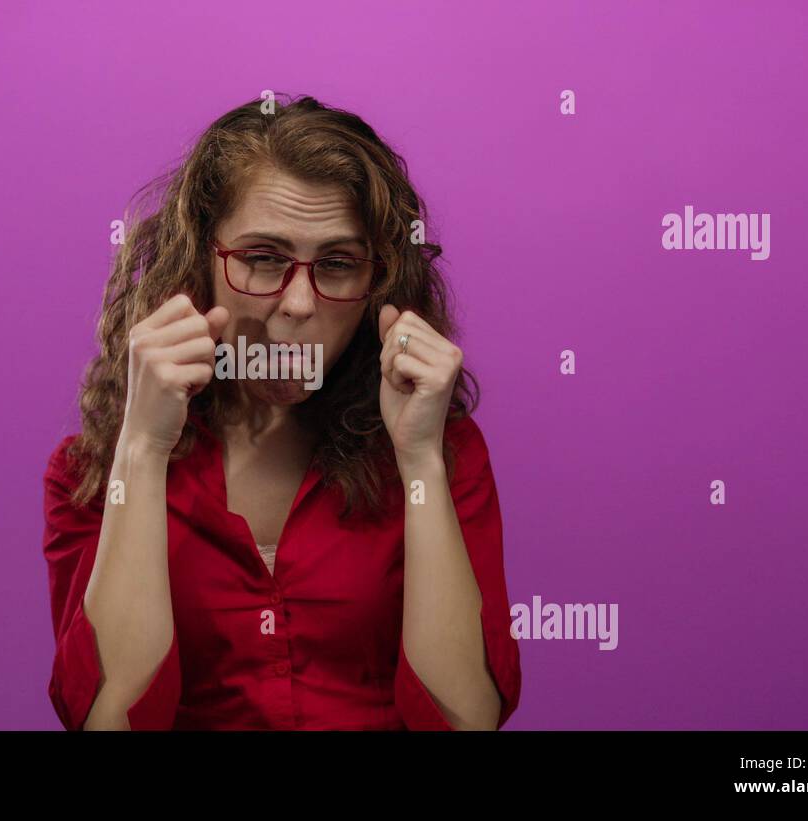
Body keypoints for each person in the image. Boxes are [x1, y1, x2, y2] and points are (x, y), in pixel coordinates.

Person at [42, 94, 521, 730]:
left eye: (338, 264)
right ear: (198, 261)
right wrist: (142, 451)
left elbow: (467, 719)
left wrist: (419, 463)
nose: (298, 304)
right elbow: (110, 721)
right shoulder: (93, 469)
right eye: (262, 258)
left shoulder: (444, 452)